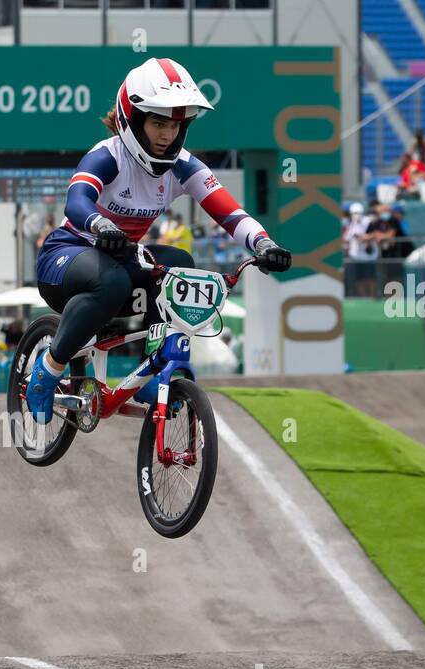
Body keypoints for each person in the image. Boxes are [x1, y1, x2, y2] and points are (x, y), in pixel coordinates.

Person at [28, 57, 289, 422]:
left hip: (122, 259)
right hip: (67, 254)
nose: (168, 135)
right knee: (112, 280)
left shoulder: (183, 166)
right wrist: (101, 226)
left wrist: (263, 245)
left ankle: (153, 369)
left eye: (177, 125)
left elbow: (230, 214)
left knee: (181, 265)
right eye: (158, 122)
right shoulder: (107, 156)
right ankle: (48, 369)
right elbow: (77, 202)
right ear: (132, 119)